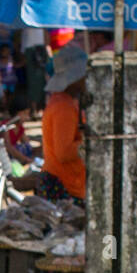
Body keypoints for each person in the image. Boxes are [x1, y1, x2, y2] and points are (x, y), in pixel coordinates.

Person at [39, 43, 87, 204]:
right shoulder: (63, 107)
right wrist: (89, 143)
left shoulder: (66, 103)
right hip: (63, 185)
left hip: (66, 183)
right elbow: (64, 152)